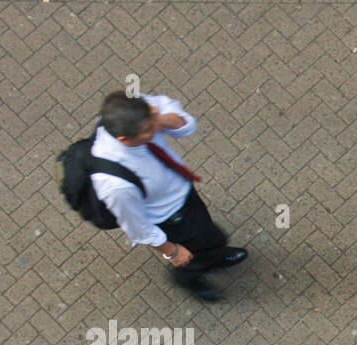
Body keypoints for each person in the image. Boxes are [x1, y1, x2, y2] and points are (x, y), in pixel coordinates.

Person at [90, 91, 246, 301]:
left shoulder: (135, 111)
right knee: (200, 249)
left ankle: (213, 253)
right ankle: (188, 277)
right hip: (170, 218)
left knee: (208, 235)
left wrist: (159, 119)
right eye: (148, 130)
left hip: (182, 194)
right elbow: (136, 227)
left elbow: (186, 125)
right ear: (124, 140)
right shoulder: (115, 185)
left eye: (152, 120)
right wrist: (172, 251)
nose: (156, 129)